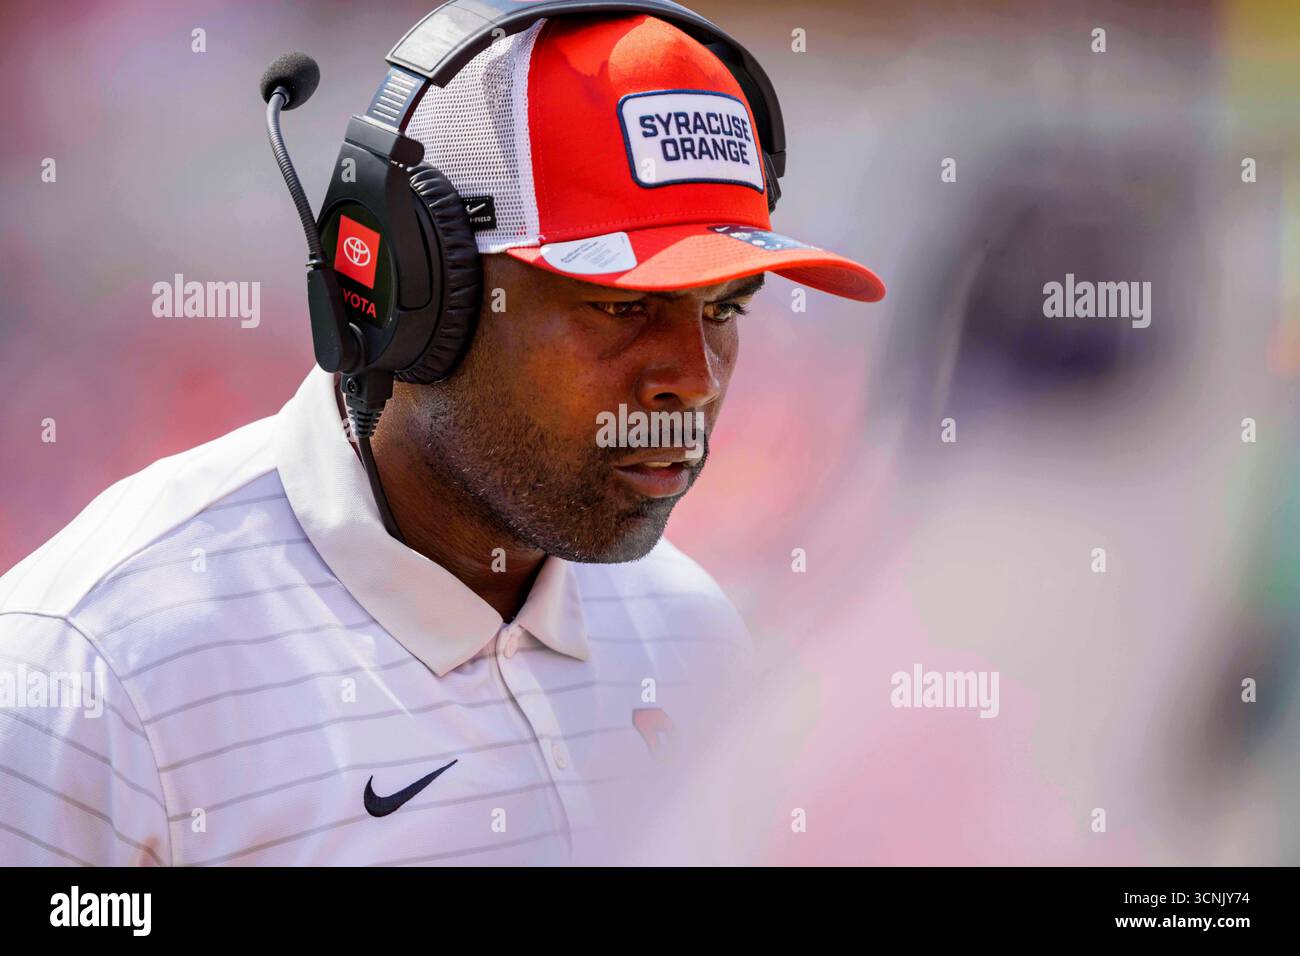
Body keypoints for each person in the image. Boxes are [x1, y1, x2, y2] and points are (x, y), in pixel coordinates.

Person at [0, 10, 883, 865]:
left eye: (724, 309)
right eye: (620, 305)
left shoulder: (694, 636)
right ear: (410, 297)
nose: (693, 377)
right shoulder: (92, 666)